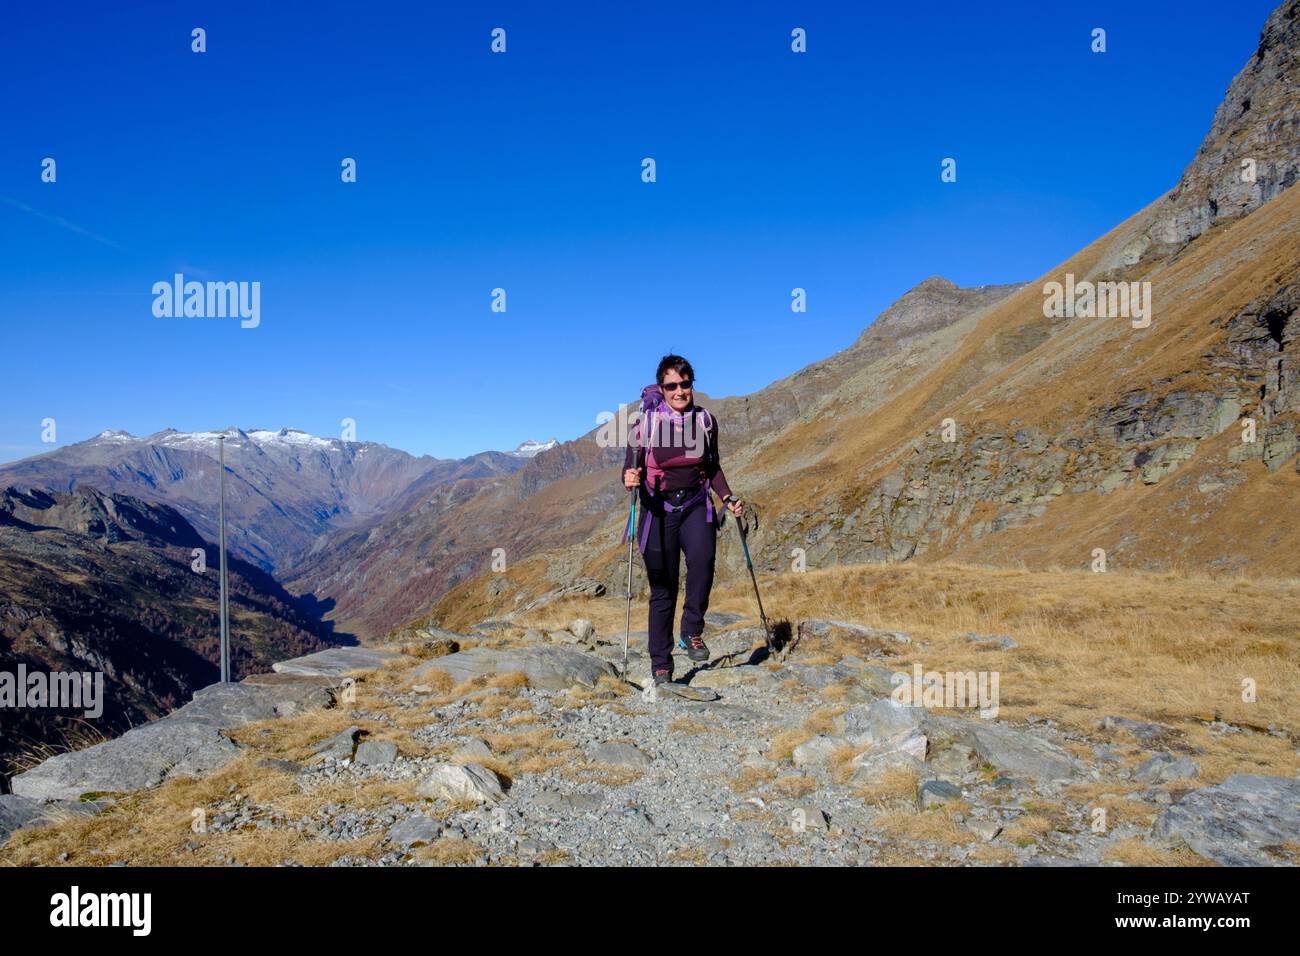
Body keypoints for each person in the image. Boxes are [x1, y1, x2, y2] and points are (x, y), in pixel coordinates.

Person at [622, 354, 743, 685]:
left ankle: (691, 632)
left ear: (692, 384)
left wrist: (728, 497)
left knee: (703, 565)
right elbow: (629, 469)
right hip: (657, 510)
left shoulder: (705, 422)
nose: (679, 391)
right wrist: (629, 479)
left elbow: (713, 466)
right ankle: (661, 662)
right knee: (664, 588)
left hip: (695, 505)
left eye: (685, 384)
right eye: (671, 385)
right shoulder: (644, 426)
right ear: (661, 389)